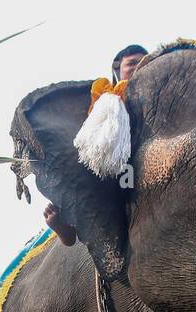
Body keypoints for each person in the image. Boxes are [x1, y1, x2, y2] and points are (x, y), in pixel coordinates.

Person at [44, 43, 149, 246]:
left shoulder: (163, 94)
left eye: (145, 63)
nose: (139, 67)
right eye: (132, 64)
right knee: (78, 166)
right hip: (111, 168)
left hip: (148, 160)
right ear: (117, 69)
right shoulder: (104, 98)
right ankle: (66, 228)